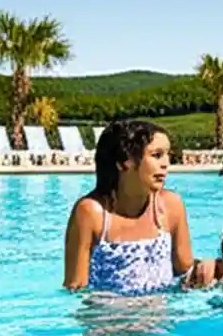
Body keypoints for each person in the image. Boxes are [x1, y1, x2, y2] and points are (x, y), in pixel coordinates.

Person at [63, 120, 196, 295]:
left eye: (167, 155)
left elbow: (186, 274)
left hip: (158, 320)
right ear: (124, 162)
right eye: (156, 155)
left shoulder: (170, 207)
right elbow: (75, 289)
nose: (165, 164)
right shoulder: (92, 213)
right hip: (107, 319)